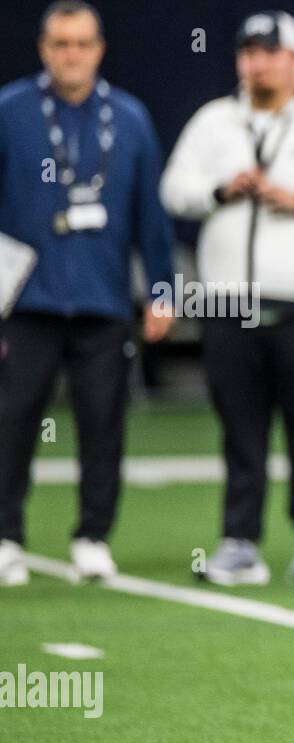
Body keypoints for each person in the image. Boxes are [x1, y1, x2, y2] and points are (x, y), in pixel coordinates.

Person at [161, 10, 294, 587]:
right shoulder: (215, 122)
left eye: (268, 52)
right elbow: (174, 188)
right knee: (240, 428)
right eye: (248, 53)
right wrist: (220, 189)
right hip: (230, 302)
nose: (256, 63)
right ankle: (239, 541)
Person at [0, 0, 174, 586]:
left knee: (103, 422)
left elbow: (150, 213)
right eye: (60, 44)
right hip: (26, 302)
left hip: (102, 300)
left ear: (99, 48)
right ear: (43, 49)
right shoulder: (11, 110)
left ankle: (93, 535)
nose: (71, 55)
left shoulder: (129, 118)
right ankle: (6, 536)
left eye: (81, 43)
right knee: (13, 419)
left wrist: (159, 289)